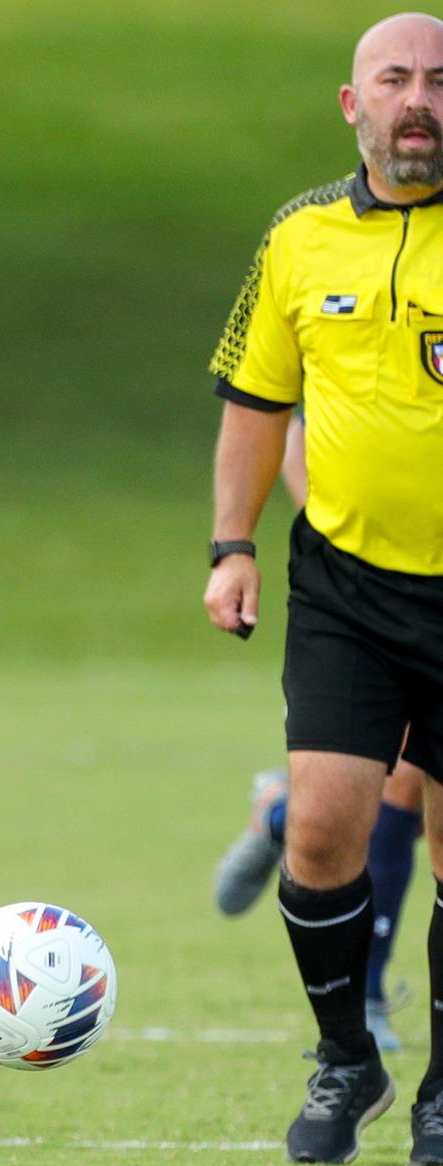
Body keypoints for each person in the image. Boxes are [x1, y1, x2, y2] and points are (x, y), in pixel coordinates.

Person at [204, 12, 443, 1166]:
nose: (417, 99)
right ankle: (346, 1059)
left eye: (437, 80)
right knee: (318, 829)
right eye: (392, 79)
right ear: (352, 105)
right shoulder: (297, 236)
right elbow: (255, 402)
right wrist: (229, 545)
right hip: (346, 588)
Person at [211, 411, 428, 1053]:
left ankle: (286, 815)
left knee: (409, 802)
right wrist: (360, 550)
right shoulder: (368, 346)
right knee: (405, 775)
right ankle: (364, 1000)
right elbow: (290, 426)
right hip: (379, 590)